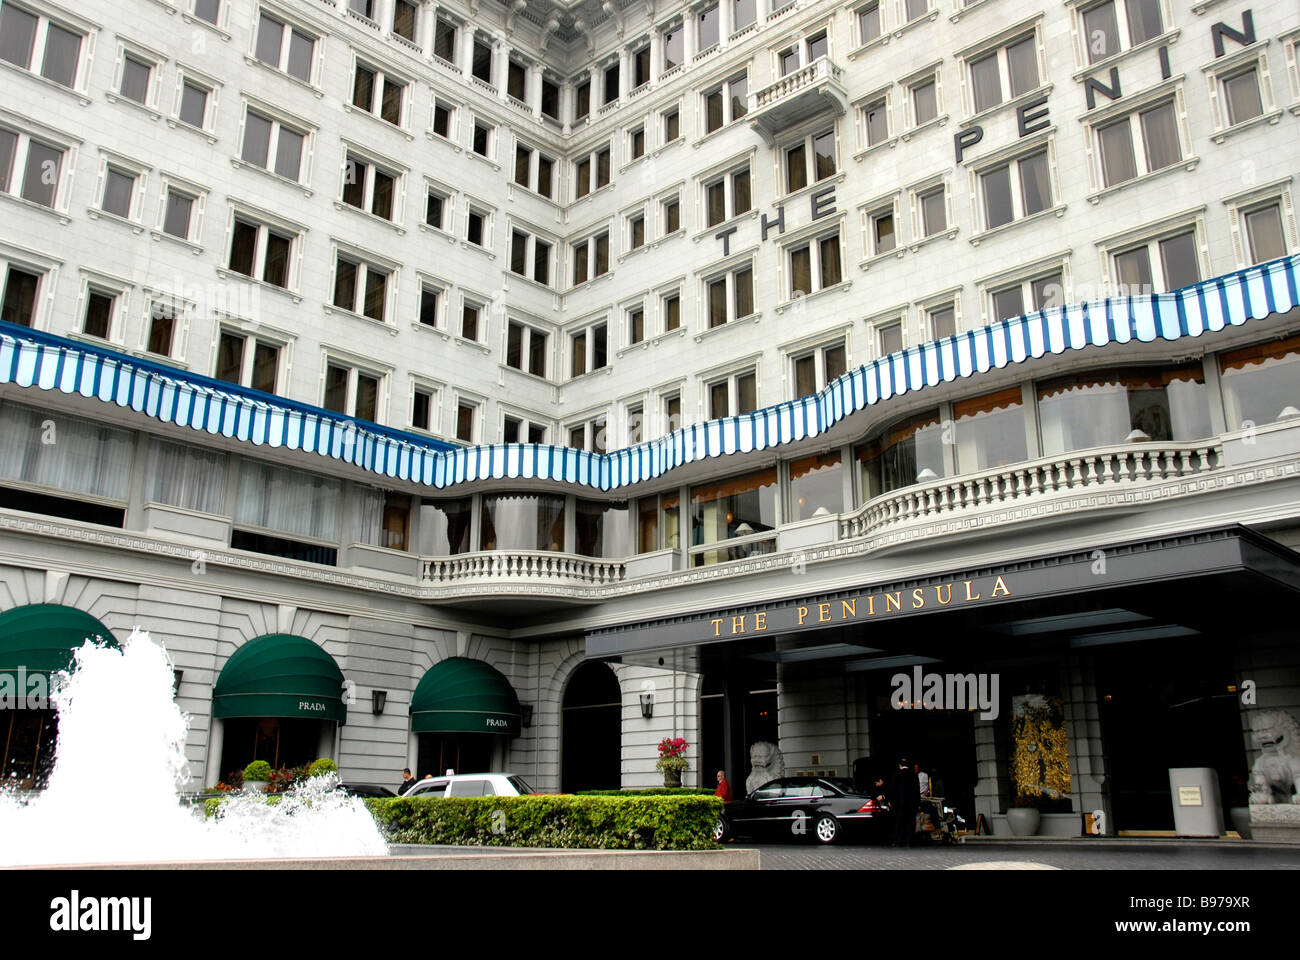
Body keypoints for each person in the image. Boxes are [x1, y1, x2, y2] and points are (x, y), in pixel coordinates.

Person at [886, 758, 920, 848]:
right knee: (910, 822)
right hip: (911, 803)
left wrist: (890, 800)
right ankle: (909, 841)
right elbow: (917, 791)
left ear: (900, 766)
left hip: (899, 803)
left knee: (899, 822)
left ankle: (898, 841)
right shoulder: (913, 775)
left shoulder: (896, 774)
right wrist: (918, 803)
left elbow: (892, 789)